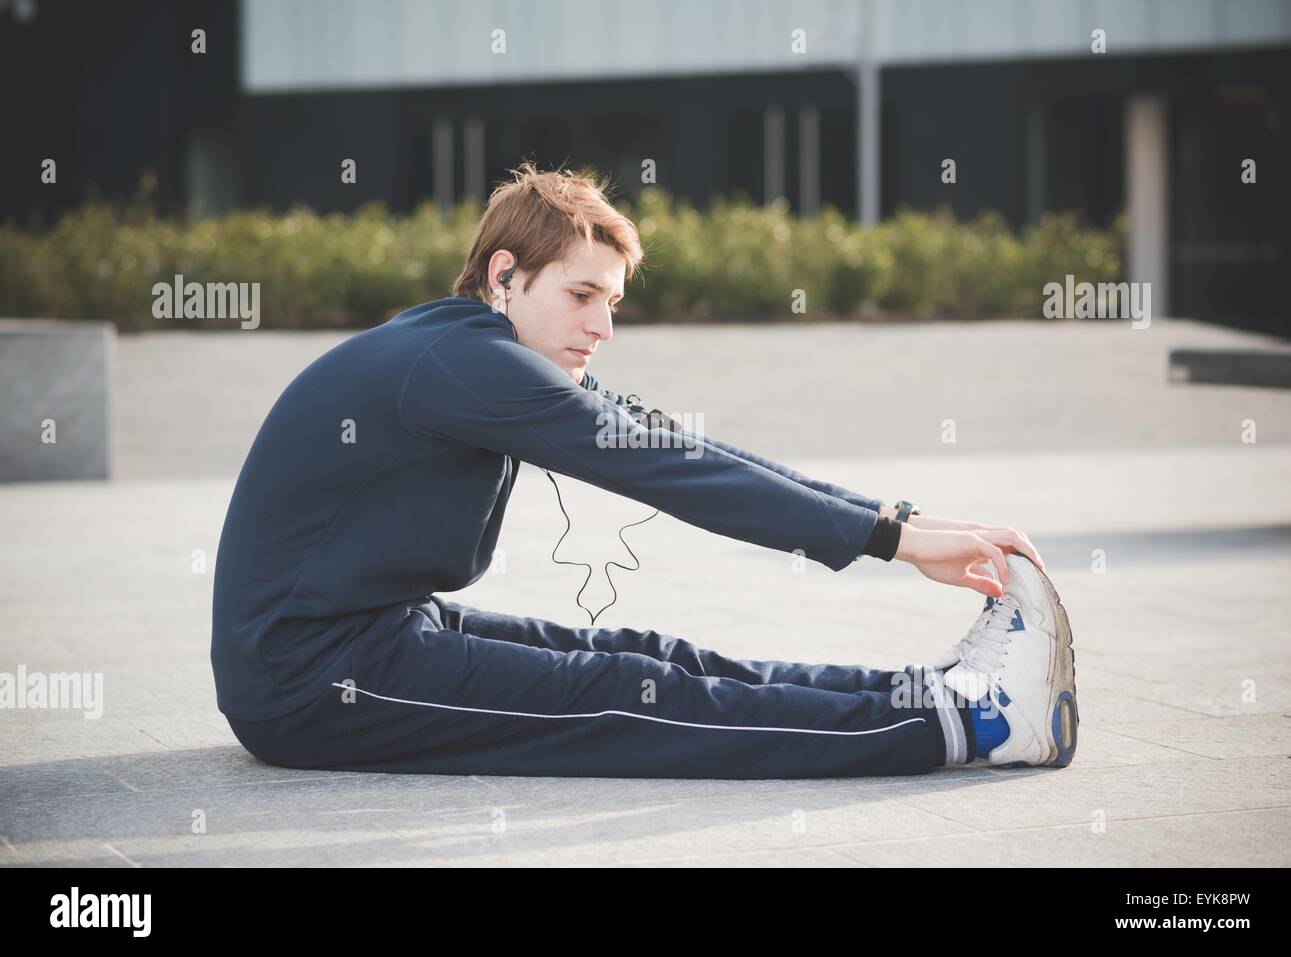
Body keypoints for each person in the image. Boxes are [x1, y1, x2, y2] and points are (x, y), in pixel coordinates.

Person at [213, 161, 1078, 779]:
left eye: (612, 304)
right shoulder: (466, 364)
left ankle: (924, 692)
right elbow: (672, 469)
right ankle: (974, 722)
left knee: (645, 653)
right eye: (580, 296)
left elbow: (659, 436)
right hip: (314, 681)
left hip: (370, 633)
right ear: (505, 276)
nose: (601, 327)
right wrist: (887, 540)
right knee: (633, 694)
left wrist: (897, 518)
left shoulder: (467, 348)